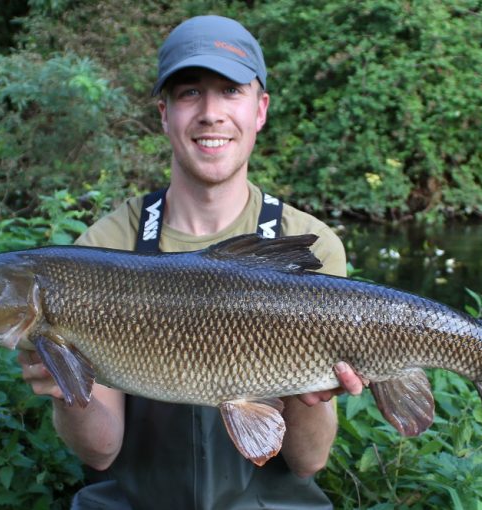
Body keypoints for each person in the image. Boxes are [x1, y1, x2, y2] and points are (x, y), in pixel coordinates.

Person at [18, 15, 364, 509]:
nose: (210, 113)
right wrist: (65, 387)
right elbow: (100, 450)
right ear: (164, 113)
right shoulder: (104, 245)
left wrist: (309, 395)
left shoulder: (309, 245)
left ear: (260, 109)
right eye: (189, 93)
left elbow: (308, 461)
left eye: (230, 91)